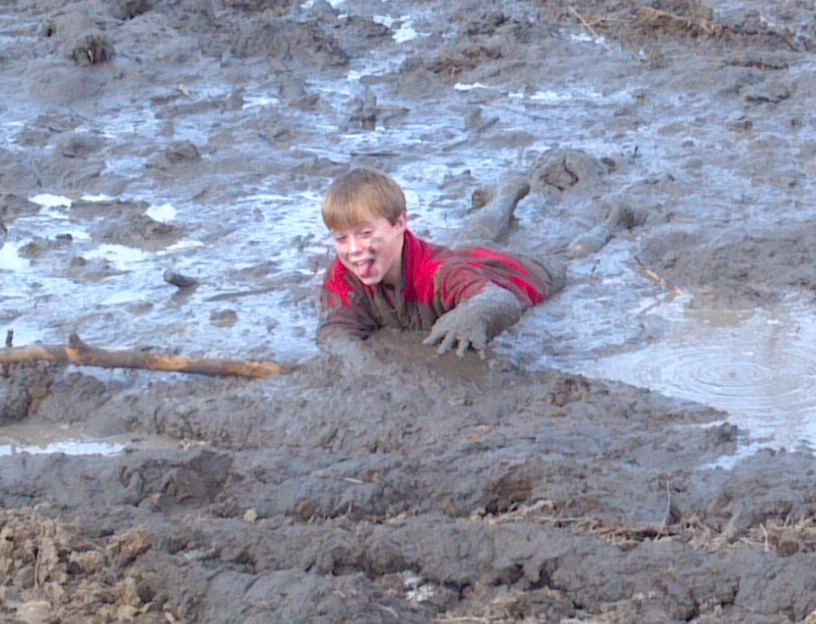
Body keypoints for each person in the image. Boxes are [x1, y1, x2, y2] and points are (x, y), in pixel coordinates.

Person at [317, 167, 566, 360]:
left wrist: (471, 315)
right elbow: (334, 331)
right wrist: (359, 361)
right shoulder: (343, 274)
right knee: (470, 238)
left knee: (572, 252)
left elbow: (501, 299)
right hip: (460, 254)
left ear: (400, 224)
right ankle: (506, 193)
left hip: (516, 271)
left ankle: (510, 197)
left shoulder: (438, 272)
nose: (353, 249)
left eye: (365, 233)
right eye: (341, 238)